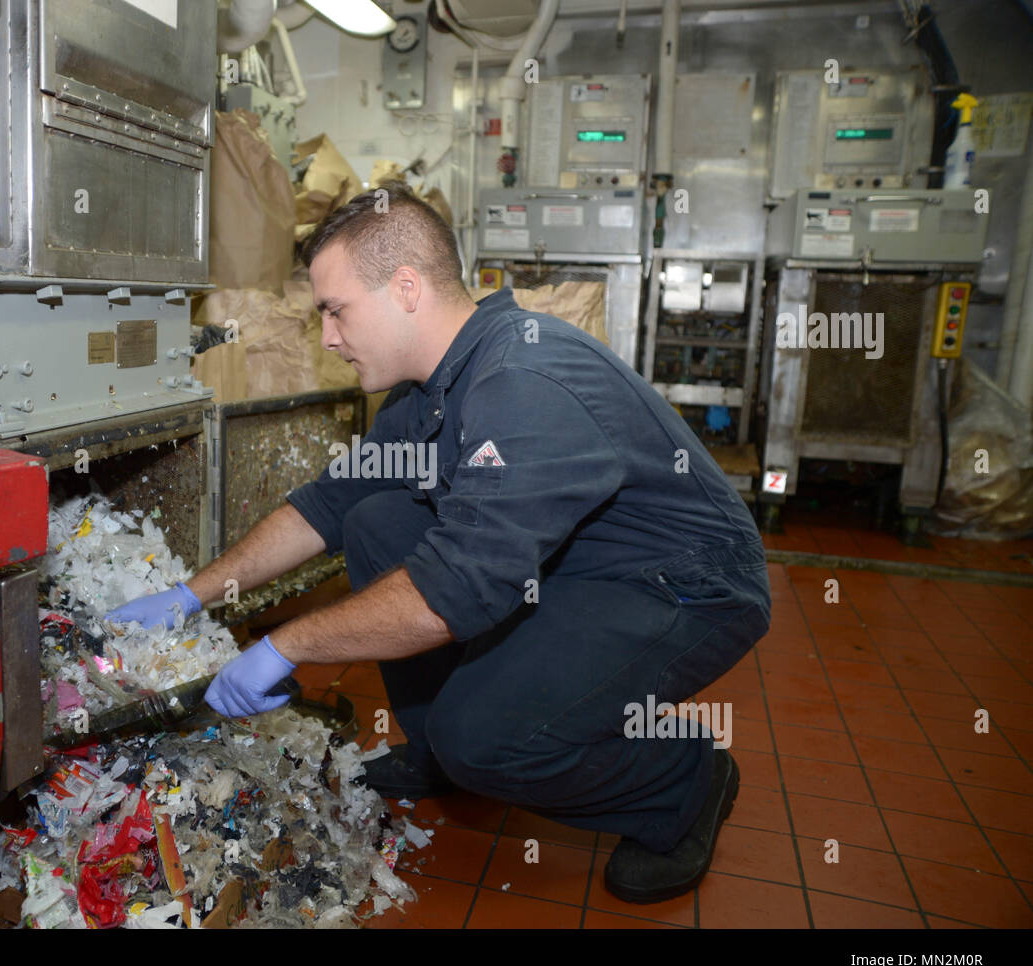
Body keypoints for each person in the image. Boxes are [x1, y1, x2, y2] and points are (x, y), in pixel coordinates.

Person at [107, 182, 771, 903]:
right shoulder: (431, 388)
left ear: (406, 288)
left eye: (335, 309)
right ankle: (436, 758)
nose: (327, 336)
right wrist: (192, 595)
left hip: (685, 585)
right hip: (580, 562)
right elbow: (325, 508)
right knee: (375, 522)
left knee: (482, 737)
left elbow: (451, 594)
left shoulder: (524, 381)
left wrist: (285, 646)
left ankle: (684, 781)